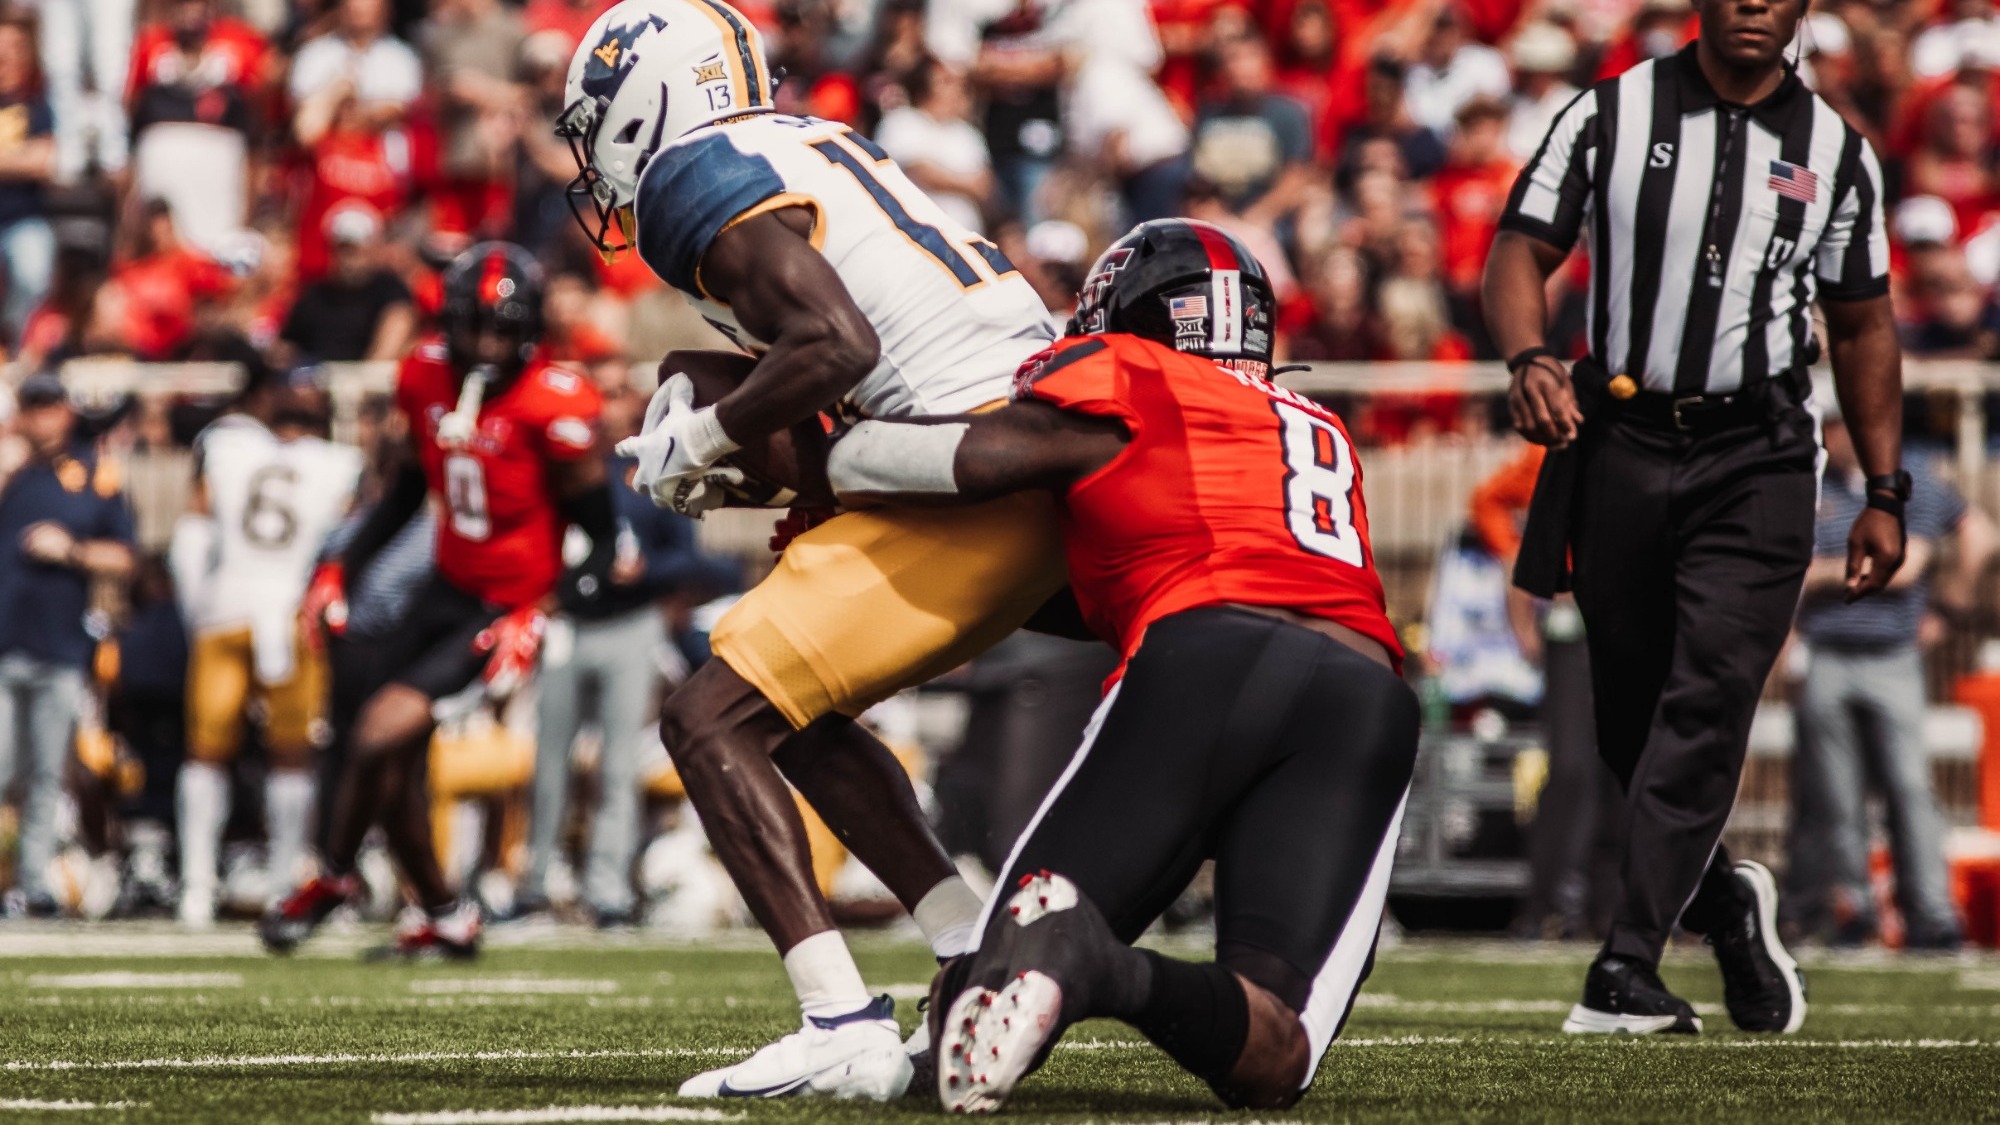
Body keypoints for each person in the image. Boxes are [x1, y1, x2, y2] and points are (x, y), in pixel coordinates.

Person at [557, 0, 1056, 1098]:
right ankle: (974, 951)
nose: (590, 153)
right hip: (1021, 457)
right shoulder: (806, 143)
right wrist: (715, 414)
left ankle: (837, 1018)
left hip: (967, 474)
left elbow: (836, 343)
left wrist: (711, 434)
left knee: (706, 717)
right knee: (796, 722)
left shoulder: (692, 174)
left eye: (595, 121)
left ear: (650, 99)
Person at [825, 219, 1415, 1112]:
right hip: (1364, 693)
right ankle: (1109, 972)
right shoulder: (1320, 424)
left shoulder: (1132, 371)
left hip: (1206, 653)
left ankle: (1074, 952)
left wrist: (810, 459)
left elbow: (970, 459)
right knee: (1275, 1055)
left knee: (968, 1003)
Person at [1484, 0, 1907, 1035]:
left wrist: (1884, 492)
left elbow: (1859, 326)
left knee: (1709, 694)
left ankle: (1623, 965)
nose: (1754, 4)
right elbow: (1516, 251)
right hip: (1620, 440)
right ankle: (1723, 903)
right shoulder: (1607, 112)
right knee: (1630, 724)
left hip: (1756, 454)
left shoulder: (1835, 153)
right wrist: (1528, 357)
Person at [261, 243, 613, 960]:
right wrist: (340, 562)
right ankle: (446, 914)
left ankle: (332, 874)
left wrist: (545, 609)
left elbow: (605, 538)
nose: (487, 343)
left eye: (501, 328)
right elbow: (404, 493)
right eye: (474, 326)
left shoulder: (556, 400)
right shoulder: (423, 373)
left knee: (377, 732)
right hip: (446, 588)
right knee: (389, 763)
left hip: (505, 608)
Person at [512, 380, 738, 927]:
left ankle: (606, 890)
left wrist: (645, 575)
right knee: (548, 762)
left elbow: (687, 558)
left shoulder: (653, 473)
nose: (609, 409)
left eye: (617, 396)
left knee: (617, 764)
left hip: (630, 624)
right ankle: (534, 884)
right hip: (568, 625)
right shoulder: (557, 470)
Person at [1789, 403, 1996, 951]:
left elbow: (1959, 544)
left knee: (1909, 788)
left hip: (1891, 654)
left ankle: (1930, 911)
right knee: (1835, 795)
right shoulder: (1812, 487)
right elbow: (1796, 573)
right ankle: (1852, 908)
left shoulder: (1911, 482)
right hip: (1827, 651)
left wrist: (1950, 608)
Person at [168, 368, 363, 927]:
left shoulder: (229, 448)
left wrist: (194, 608)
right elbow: (349, 532)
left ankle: (196, 887)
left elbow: (193, 528)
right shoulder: (336, 463)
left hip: (225, 610)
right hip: (289, 617)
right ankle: (283, 882)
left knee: (205, 753)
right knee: (291, 757)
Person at [0, 374, 134, 917]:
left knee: (48, 775)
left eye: (50, 407)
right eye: (33, 408)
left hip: (58, 647)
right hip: (3, 644)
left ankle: (34, 884)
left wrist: (72, 550)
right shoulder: (12, 472)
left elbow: (126, 558)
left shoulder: (94, 476)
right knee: (2, 767)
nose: (42, 419)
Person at [0, 18, 56, 345]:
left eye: (14, 49)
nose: (5, 58)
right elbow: (32, 158)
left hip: (25, 220)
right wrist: (20, 157)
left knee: (34, 270)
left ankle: (15, 347)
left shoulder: (37, 104)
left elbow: (46, 161)